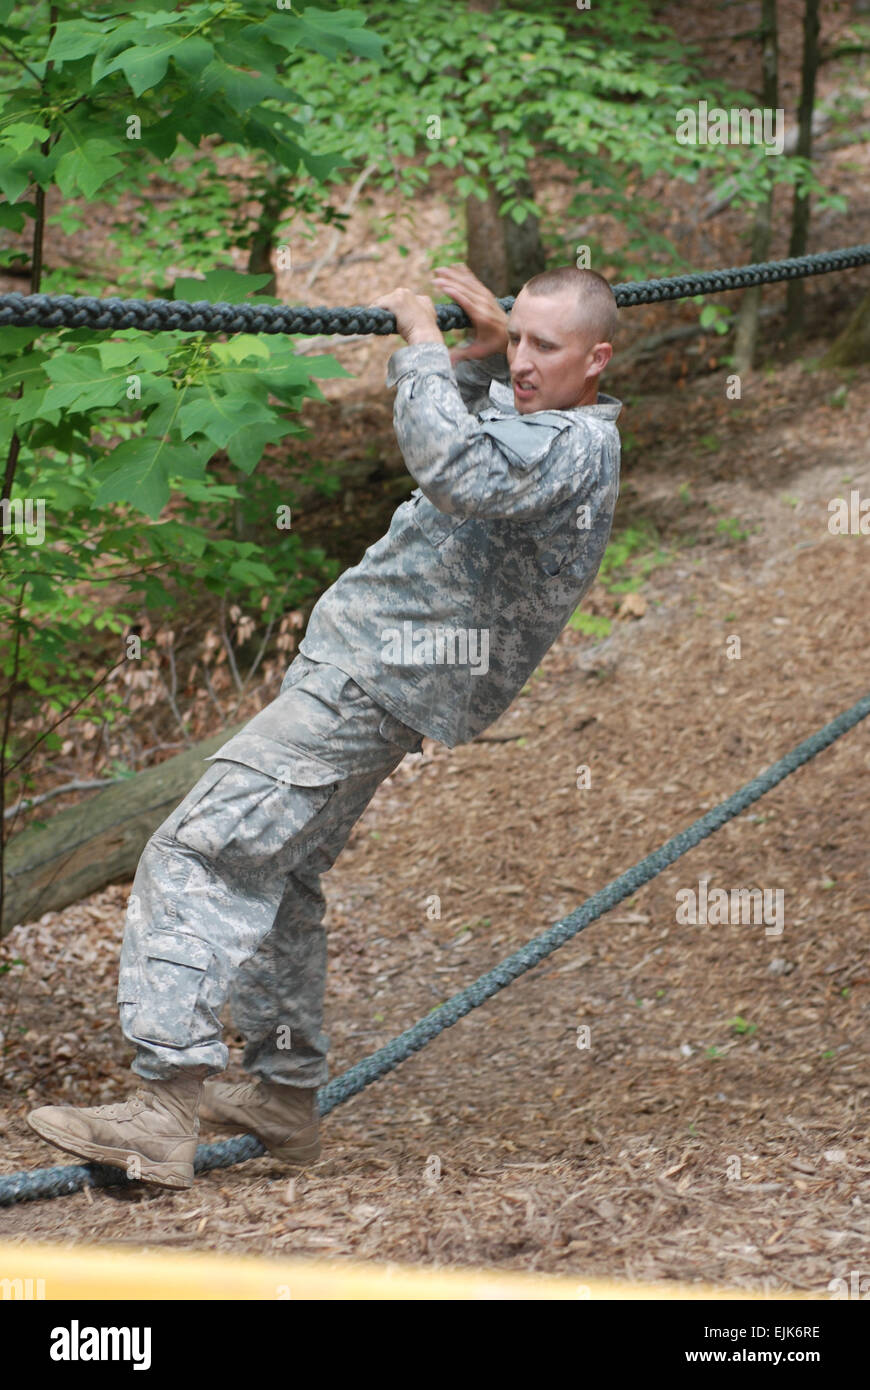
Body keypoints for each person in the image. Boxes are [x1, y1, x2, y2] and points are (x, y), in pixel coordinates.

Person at [27, 263, 622, 1189]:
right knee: (282, 871)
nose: (526, 360)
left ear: (599, 357)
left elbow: (459, 467)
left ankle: (162, 1107)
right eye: (520, 338)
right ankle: (283, 1093)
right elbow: (487, 440)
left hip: (370, 681)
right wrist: (470, 364)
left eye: (547, 345)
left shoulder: (577, 446)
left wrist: (422, 346)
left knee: (199, 850)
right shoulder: (543, 427)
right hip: (376, 674)